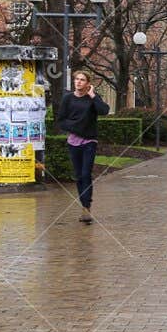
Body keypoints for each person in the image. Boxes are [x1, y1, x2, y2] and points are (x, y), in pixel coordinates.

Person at [56, 70, 109, 223]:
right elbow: (61, 120)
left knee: (86, 174)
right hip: (73, 141)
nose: (78, 82)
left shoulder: (92, 98)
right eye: (77, 79)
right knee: (79, 175)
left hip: (89, 142)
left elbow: (104, 111)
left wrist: (93, 96)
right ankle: (83, 205)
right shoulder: (68, 99)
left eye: (82, 80)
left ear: (88, 83)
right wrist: (75, 127)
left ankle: (87, 207)